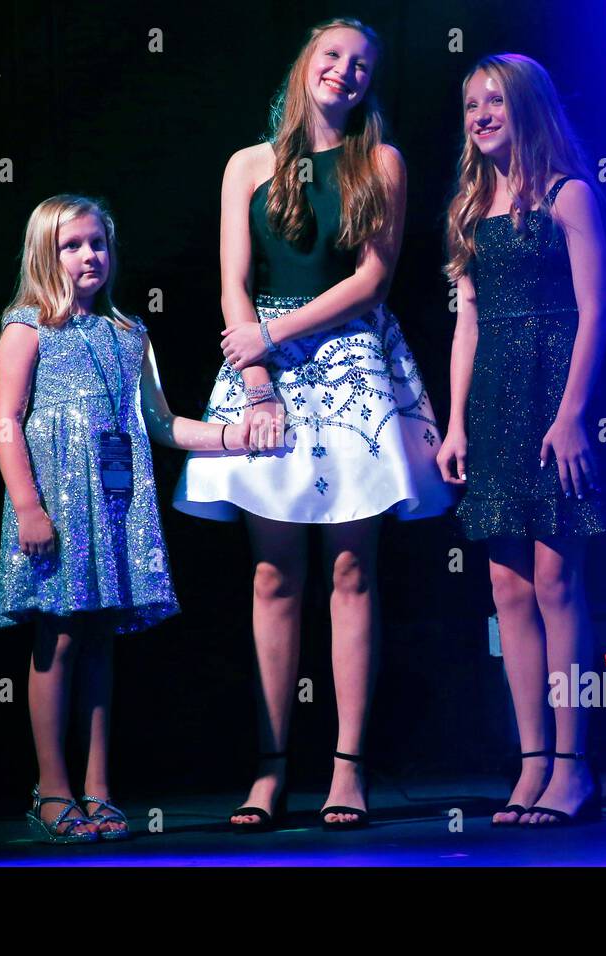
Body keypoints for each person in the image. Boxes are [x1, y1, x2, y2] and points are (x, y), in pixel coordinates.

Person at [173, 18, 453, 831]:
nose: (346, 71)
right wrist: (257, 380)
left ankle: (347, 769)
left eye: (362, 63)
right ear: (303, 67)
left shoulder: (383, 163)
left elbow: (373, 280)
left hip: (352, 364)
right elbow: (233, 285)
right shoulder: (248, 166)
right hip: (263, 369)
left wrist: (276, 333)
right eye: (332, 56)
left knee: (352, 572)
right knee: (272, 572)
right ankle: (268, 770)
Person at [0, 194, 257, 843]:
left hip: (113, 505)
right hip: (55, 499)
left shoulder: (129, 333)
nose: (89, 256)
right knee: (57, 637)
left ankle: (99, 785)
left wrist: (234, 436)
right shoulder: (27, 327)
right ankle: (52, 788)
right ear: (45, 255)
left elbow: (161, 423)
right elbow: (6, 420)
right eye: (73, 245)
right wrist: (28, 505)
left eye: (98, 244)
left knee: (102, 639)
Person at [437, 54, 606, 826]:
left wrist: (573, 412)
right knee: (507, 589)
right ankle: (532, 762)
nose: (480, 114)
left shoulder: (569, 194)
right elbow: (468, 321)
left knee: (555, 582)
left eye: (495, 102)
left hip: (555, 395)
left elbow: (595, 309)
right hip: (494, 401)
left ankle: (574, 767)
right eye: (471, 103)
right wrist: (454, 423)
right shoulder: (469, 204)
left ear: (528, 108)